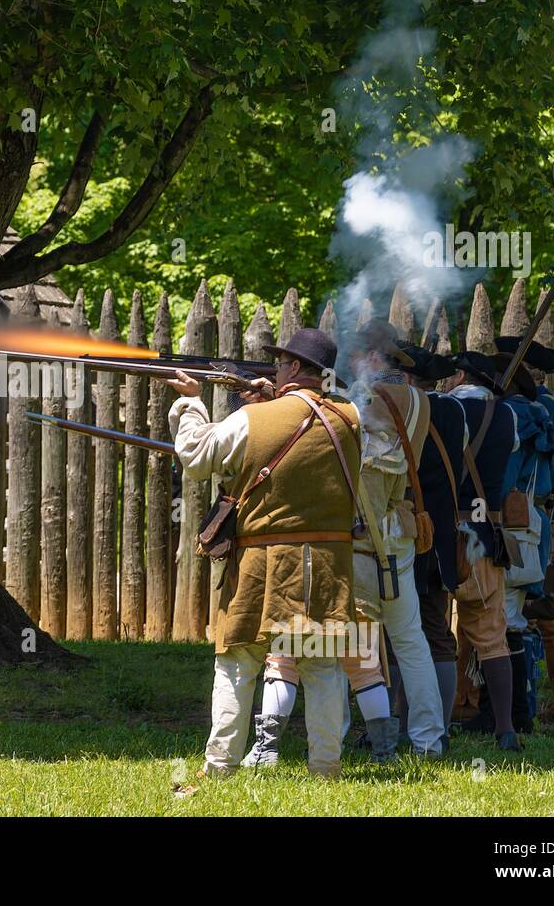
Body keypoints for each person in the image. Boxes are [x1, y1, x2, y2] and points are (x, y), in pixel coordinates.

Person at [246, 321, 444, 761]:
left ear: (373, 357)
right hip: (398, 534)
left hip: (357, 540)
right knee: (409, 643)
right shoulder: (419, 400)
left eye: (358, 355)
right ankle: (429, 740)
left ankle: (333, 742)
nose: (351, 363)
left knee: (339, 649)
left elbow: (332, 442)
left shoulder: (365, 401)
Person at [168, 329, 360, 779]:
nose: (274, 368)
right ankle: (326, 768)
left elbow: (196, 457)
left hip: (263, 564)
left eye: (280, 364)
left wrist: (193, 402)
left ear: (293, 368)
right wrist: (269, 401)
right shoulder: (352, 419)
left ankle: (219, 769)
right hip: (330, 565)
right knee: (323, 668)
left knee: (238, 662)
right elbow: (304, 427)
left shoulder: (254, 420)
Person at [495, 335, 554, 723]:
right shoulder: (542, 408)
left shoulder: (541, 411)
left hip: (533, 514)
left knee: (543, 611)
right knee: (535, 612)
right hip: (539, 515)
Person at [440, 351, 523, 751]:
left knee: (425, 632)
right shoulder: (508, 415)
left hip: (439, 534)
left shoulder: (443, 408)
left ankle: (422, 723)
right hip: (484, 532)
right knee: (492, 637)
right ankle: (505, 728)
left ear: (459, 375)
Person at [390, 342, 466, 748]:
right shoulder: (455, 410)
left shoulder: (399, 406)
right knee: (435, 630)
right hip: (440, 534)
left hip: (406, 529)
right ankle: (438, 726)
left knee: (395, 634)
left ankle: (398, 728)